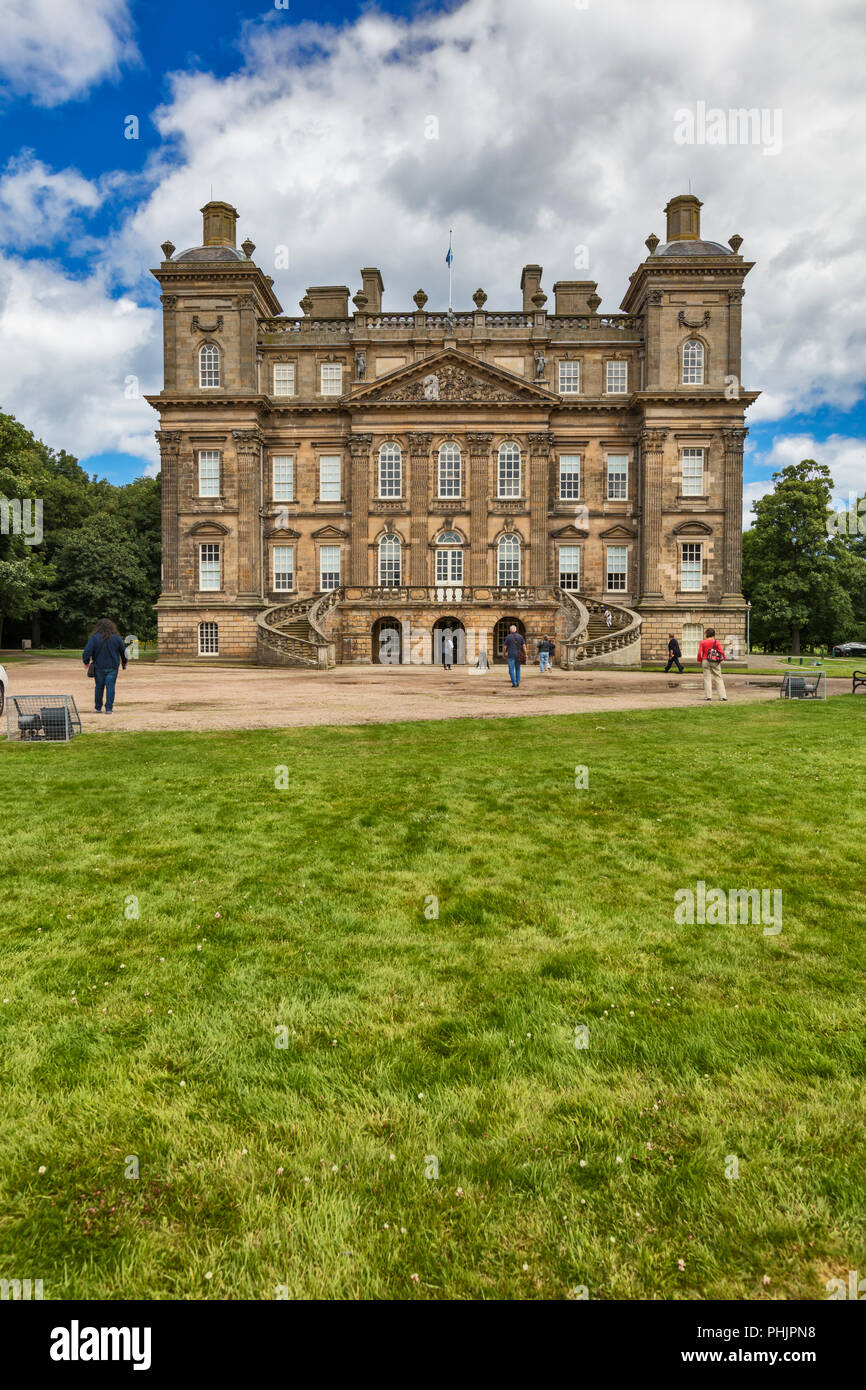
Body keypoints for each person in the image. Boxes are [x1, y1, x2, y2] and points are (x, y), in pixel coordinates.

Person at [82, 617, 128, 713]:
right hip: (113, 666)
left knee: (99, 686)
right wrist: (124, 662)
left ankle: (98, 707)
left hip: (99, 666)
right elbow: (124, 652)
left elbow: (87, 651)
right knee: (110, 687)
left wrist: (86, 662)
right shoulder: (116, 638)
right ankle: (109, 708)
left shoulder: (94, 638)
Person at [697, 627, 727, 702]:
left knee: (707, 678)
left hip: (705, 660)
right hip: (714, 660)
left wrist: (700, 660)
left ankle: (708, 697)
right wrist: (722, 658)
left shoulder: (702, 642)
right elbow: (721, 651)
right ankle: (723, 696)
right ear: (713, 634)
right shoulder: (716, 642)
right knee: (718, 677)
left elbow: (699, 653)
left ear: (706, 634)